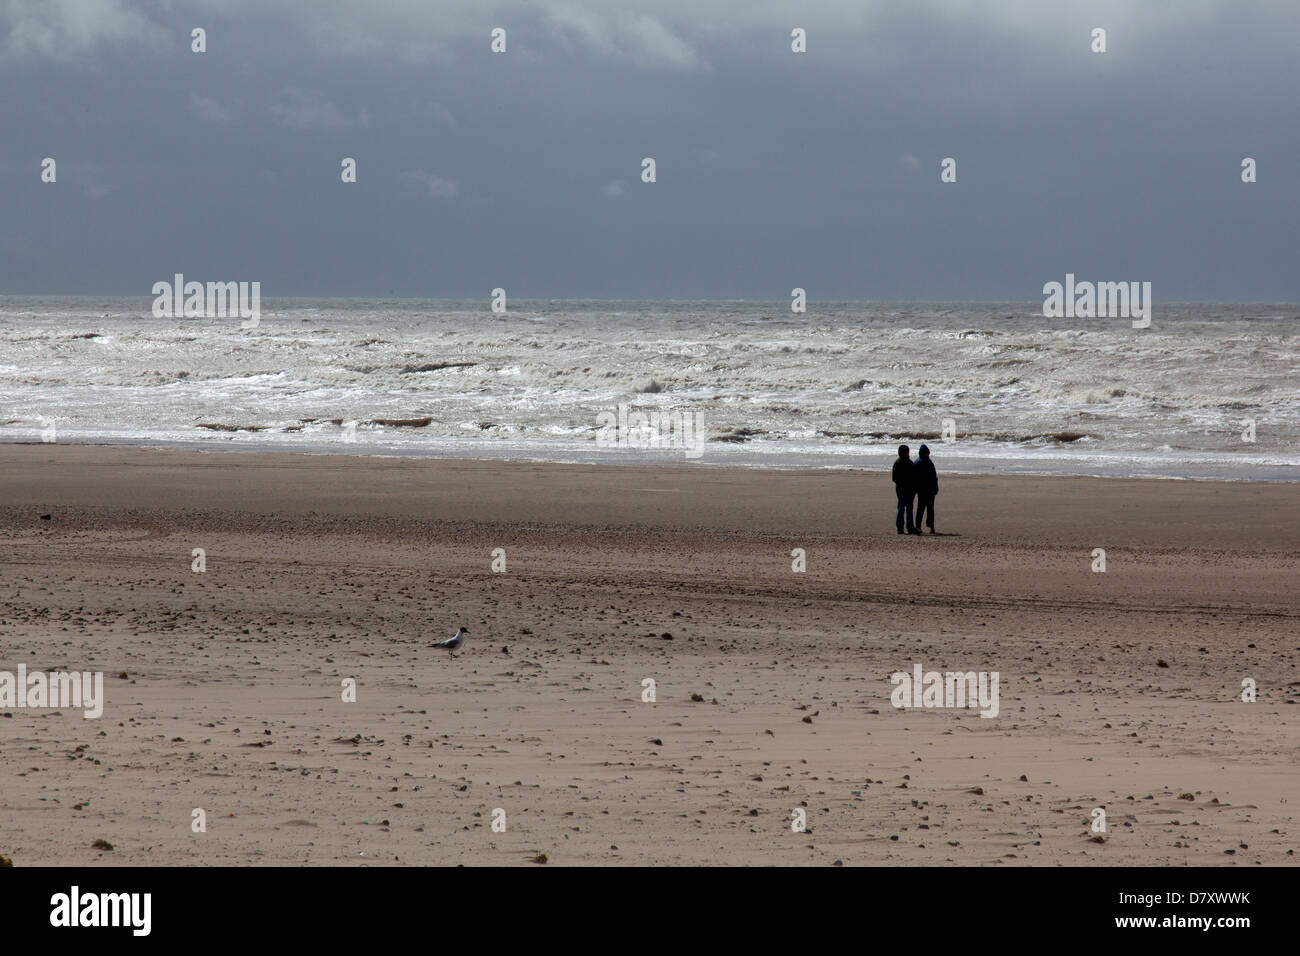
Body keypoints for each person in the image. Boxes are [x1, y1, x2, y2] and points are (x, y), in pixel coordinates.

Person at [891, 444, 919, 534]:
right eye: (906, 452)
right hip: (902, 490)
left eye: (908, 451)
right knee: (901, 508)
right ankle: (900, 528)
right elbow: (895, 478)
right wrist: (904, 485)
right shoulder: (898, 463)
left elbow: (915, 477)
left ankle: (910, 527)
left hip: (910, 490)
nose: (907, 453)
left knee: (909, 509)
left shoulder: (910, 462)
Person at [914, 444, 938, 534]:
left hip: (930, 489)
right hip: (922, 490)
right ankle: (918, 526)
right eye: (927, 453)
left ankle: (931, 526)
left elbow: (934, 476)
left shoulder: (929, 462)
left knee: (930, 509)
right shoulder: (918, 463)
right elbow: (914, 478)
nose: (928, 455)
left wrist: (935, 487)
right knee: (921, 508)